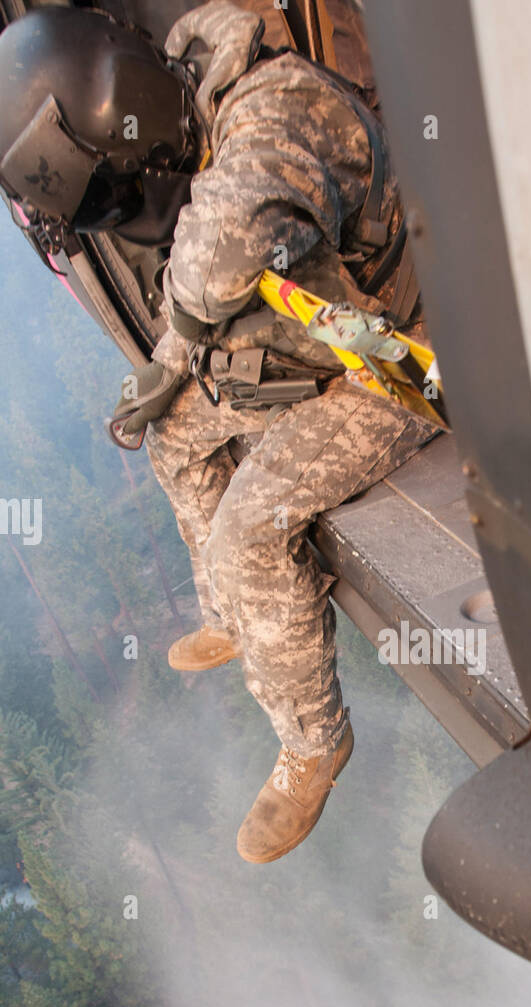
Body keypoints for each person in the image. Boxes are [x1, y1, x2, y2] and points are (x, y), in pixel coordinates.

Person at [0, 1, 438, 862]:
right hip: (320, 344)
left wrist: (174, 350)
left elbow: (225, 238)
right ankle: (232, 615)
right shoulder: (193, 107)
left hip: (396, 362)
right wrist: (171, 374)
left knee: (250, 529)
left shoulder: (276, 110)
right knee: (172, 440)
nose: (125, 210)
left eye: (116, 191)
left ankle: (313, 743)